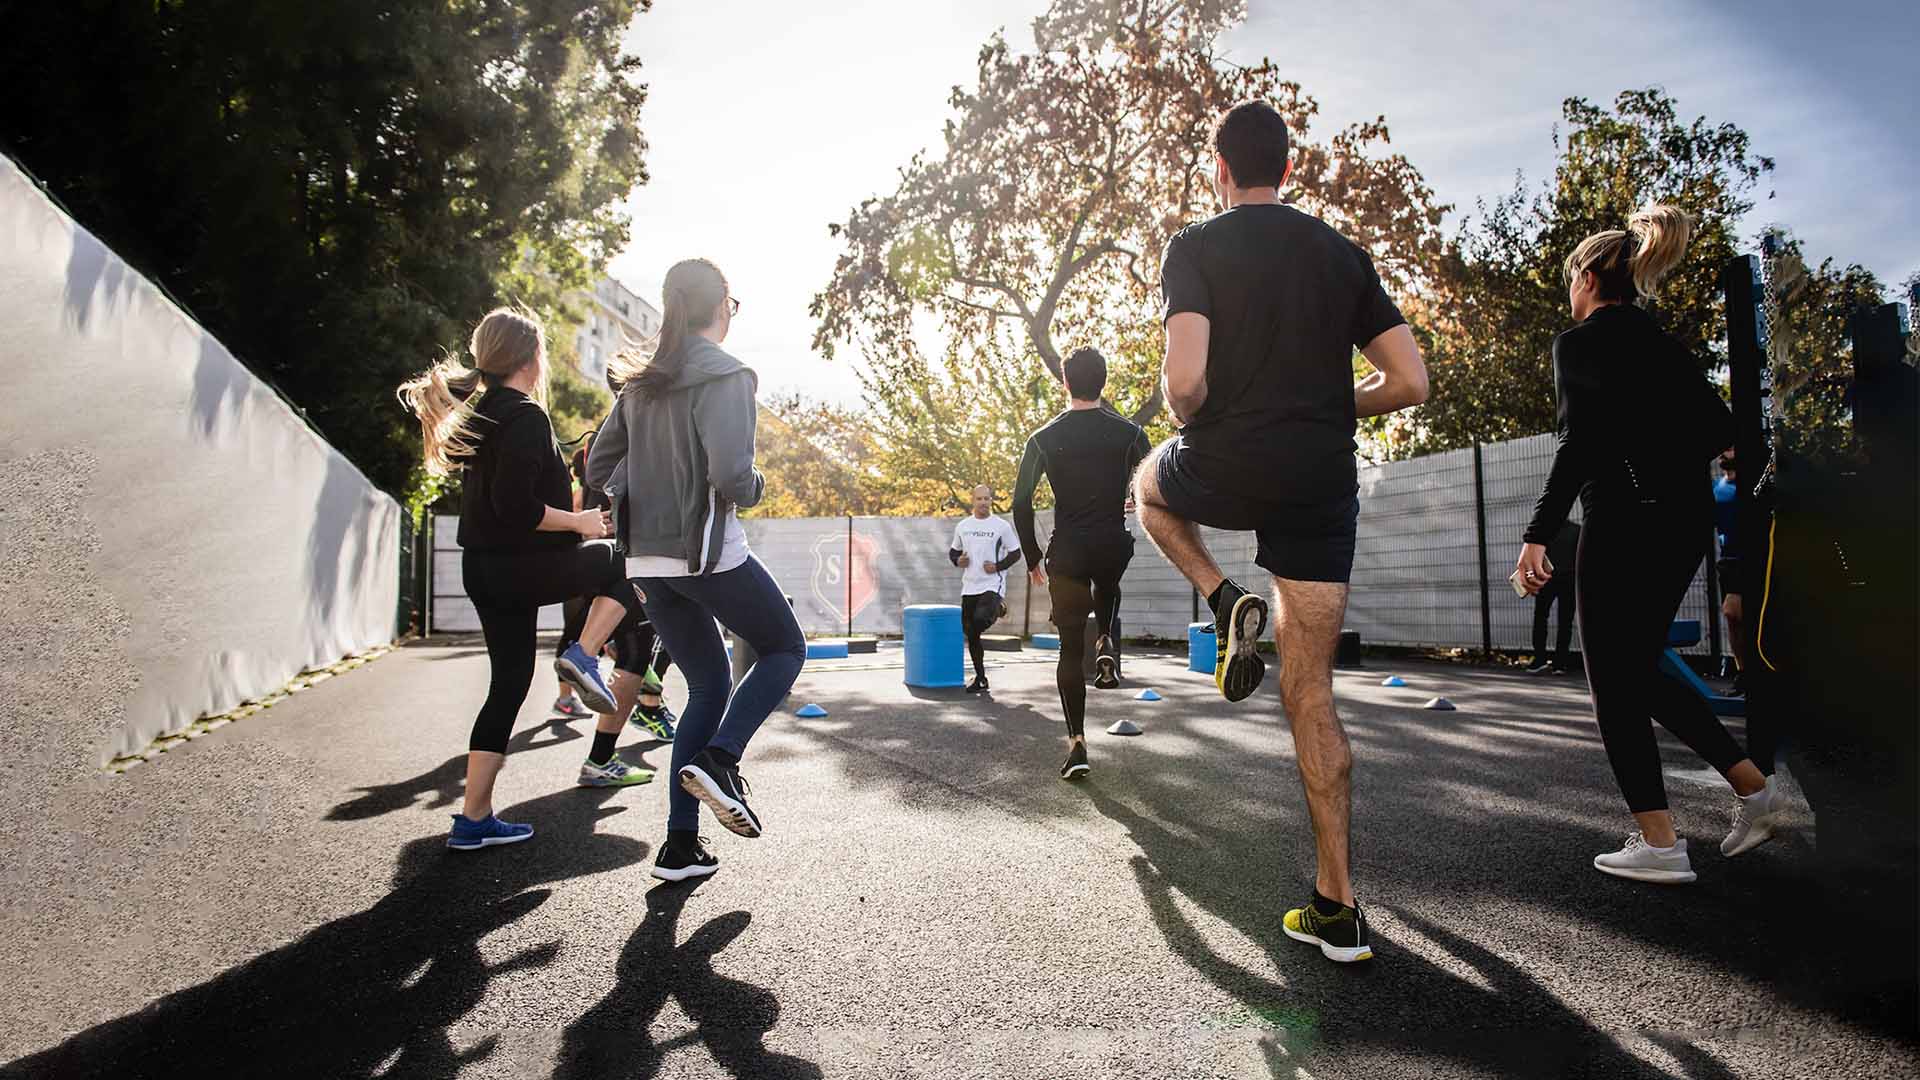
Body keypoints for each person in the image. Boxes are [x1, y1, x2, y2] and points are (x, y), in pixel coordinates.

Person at [1132, 101, 1429, 964]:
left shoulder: (1195, 245)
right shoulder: (1342, 256)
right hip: (1320, 483)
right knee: (1313, 696)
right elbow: (1409, 381)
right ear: (1287, 171)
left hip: (1226, 462)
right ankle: (1338, 906)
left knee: (1148, 488)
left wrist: (1190, 409)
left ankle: (1223, 596)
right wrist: (1337, 402)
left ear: (1219, 171)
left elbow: (1185, 381)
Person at [1515, 204, 1780, 884]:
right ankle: (1757, 788)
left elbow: (1580, 443)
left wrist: (1537, 534)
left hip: (1624, 520)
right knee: (1639, 668)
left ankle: (1660, 844)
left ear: (1589, 278)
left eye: (1570, 279)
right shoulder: (1662, 344)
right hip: (1682, 521)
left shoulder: (1581, 343)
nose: (1567, 294)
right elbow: (1723, 430)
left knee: (1614, 680)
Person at [396, 308, 652, 853]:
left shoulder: (482, 412)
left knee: (508, 687)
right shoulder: (524, 415)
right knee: (627, 561)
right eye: (542, 351)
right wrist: (580, 522)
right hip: (518, 568)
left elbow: (502, 503)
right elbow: (515, 508)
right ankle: (583, 654)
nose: (544, 361)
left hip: (485, 570)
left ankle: (474, 819)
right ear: (528, 359)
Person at [588, 258, 806, 883]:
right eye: (733, 306)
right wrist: (757, 484)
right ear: (721, 308)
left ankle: (679, 846)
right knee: (786, 647)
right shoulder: (729, 375)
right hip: (705, 552)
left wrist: (638, 508)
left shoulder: (640, 383)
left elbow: (599, 467)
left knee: (708, 687)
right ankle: (722, 757)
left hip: (647, 561)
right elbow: (732, 476)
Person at [1012, 347, 1151, 780]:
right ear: (1104, 382)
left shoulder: (1042, 438)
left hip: (1067, 552)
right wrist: (1134, 499)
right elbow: (1153, 483)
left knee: (1069, 650)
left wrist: (1033, 557)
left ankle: (1077, 744)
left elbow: (1020, 503)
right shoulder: (1130, 433)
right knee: (1108, 581)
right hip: (1111, 542)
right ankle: (1107, 637)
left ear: (1065, 382)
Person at [948, 484, 1023, 694]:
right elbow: (953, 552)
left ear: (991, 501)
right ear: (972, 500)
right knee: (970, 633)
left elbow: (1016, 553)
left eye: (987, 499)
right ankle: (981, 679)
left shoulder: (1001, 526)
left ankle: (997, 607)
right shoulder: (963, 526)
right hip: (969, 585)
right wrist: (958, 561)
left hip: (992, 584)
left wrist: (998, 567)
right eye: (979, 499)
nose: (983, 503)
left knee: (979, 622)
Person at [551, 431, 605, 720]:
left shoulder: (577, 489)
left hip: (578, 560)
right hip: (584, 561)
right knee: (584, 630)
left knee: (576, 631)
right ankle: (565, 698)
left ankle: (565, 697)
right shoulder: (582, 492)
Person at [1712, 451, 1747, 695]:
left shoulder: (1755, 486)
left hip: (1752, 560)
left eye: (1731, 447)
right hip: (1728, 561)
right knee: (1733, 620)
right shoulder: (1716, 487)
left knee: (1737, 613)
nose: (1725, 452)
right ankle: (1743, 673)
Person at [1526, 520, 1581, 675]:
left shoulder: (1544, 529)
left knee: (1540, 618)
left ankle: (1539, 659)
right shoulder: (1577, 530)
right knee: (1565, 621)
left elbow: (1534, 557)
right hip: (1569, 580)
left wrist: (1530, 578)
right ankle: (1560, 663)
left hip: (1546, 579)